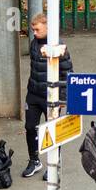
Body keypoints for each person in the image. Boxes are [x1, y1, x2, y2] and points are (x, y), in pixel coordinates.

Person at [21, 14, 72, 179]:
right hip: (33, 94)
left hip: (52, 96)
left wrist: (63, 97)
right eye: (33, 29)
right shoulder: (34, 44)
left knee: (53, 131)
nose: (34, 33)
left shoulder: (59, 47)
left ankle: (54, 164)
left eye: (37, 29)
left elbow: (67, 73)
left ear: (48, 27)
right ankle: (34, 161)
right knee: (30, 127)